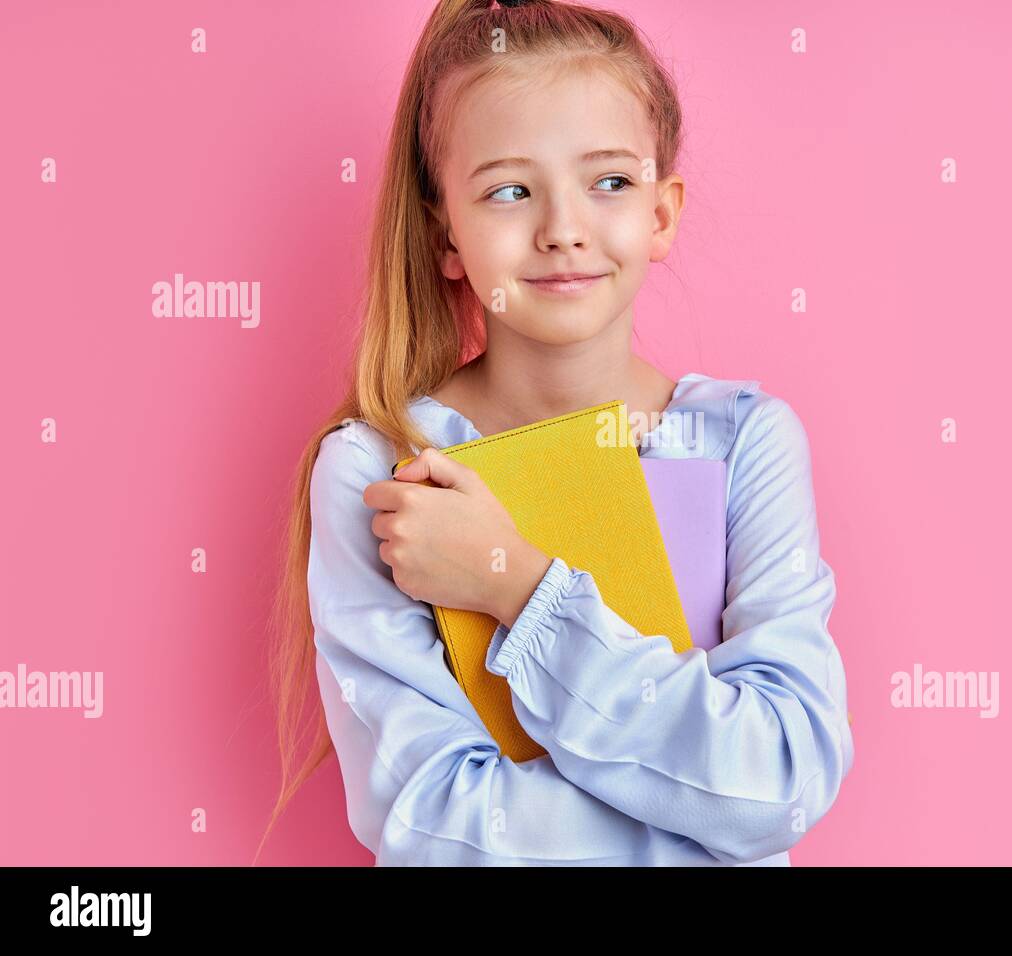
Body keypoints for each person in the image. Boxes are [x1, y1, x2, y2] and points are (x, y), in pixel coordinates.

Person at [261, 0, 854, 866]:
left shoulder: (743, 444)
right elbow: (430, 824)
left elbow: (781, 779)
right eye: (509, 190)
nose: (564, 229)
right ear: (446, 237)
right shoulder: (378, 469)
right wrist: (702, 815)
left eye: (610, 181)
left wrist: (523, 591)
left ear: (661, 212)